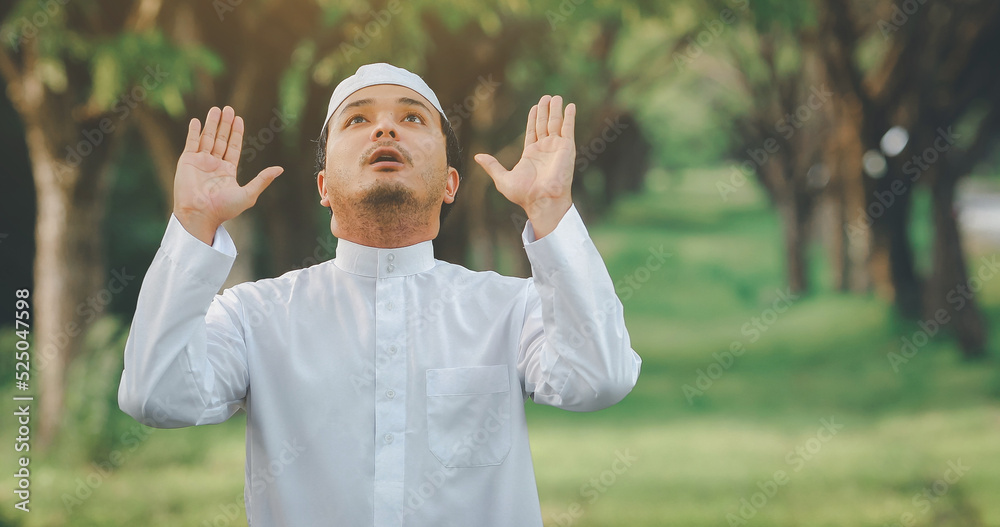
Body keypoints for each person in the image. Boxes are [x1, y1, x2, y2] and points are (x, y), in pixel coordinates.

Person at [118, 62, 641, 526]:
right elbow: (156, 395)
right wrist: (192, 226)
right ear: (323, 186)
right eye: (357, 119)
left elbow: (600, 379)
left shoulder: (509, 309)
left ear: (451, 183)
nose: (385, 127)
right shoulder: (255, 316)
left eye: (413, 118)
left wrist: (551, 210)